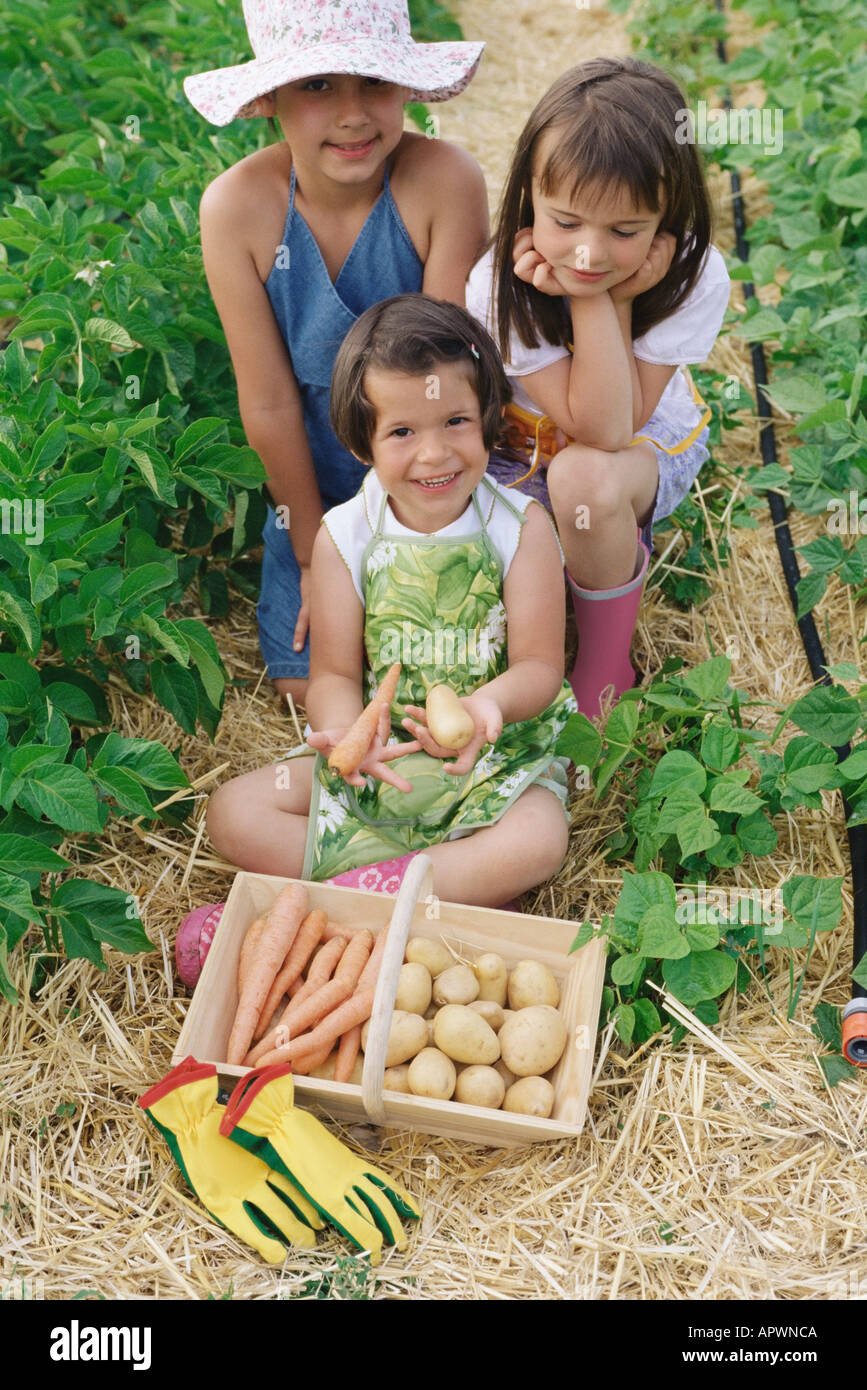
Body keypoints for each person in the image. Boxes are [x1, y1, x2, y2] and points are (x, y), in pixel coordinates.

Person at [204, 295, 577, 915]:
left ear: (486, 417)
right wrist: (355, 736)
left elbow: (540, 667)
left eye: (456, 421)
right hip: (382, 760)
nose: (434, 454)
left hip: (486, 760)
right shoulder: (344, 535)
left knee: (539, 839)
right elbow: (333, 674)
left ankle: (352, 892)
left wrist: (490, 705)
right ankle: (434, 887)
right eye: (402, 432)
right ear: (362, 443)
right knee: (234, 812)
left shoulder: (522, 527)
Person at [184, 0, 489, 707]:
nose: (353, 115)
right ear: (270, 99)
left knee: (442, 671)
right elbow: (266, 401)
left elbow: (447, 389)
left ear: (406, 88)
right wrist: (314, 547)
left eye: (374, 83)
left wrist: (405, 543)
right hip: (313, 493)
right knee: (305, 683)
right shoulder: (237, 208)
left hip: (435, 475)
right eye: (318, 86)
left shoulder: (443, 181)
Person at [465, 57, 731, 720]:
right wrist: (607, 287)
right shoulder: (496, 281)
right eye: (565, 222)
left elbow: (610, 430)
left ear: (668, 212)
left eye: (623, 231)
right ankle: (584, 559)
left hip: (636, 445)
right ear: (527, 192)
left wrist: (596, 300)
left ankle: (607, 666)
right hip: (523, 445)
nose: (587, 254)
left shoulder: (696, 274)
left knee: (585, 480)